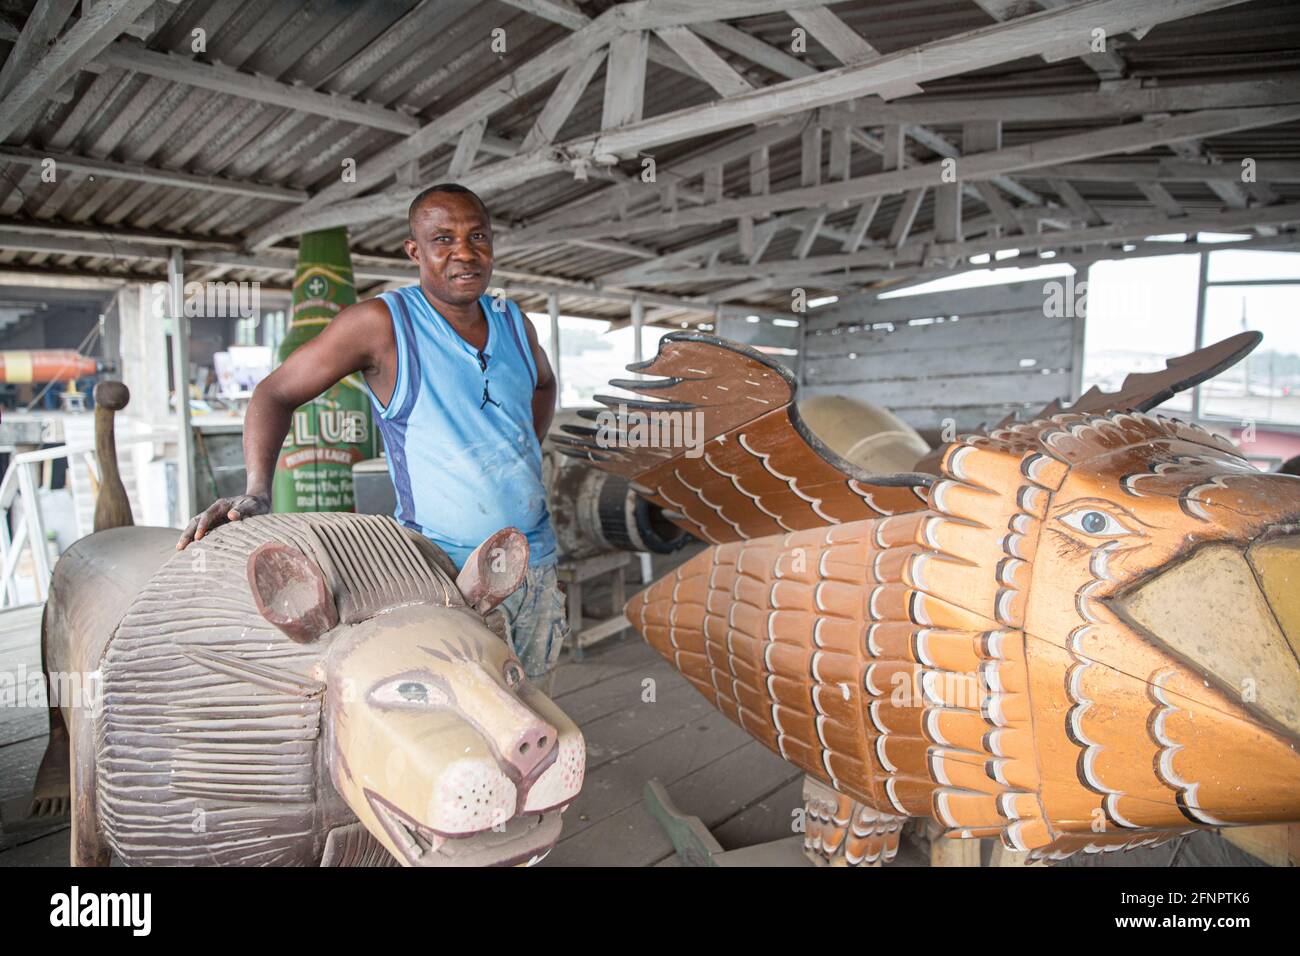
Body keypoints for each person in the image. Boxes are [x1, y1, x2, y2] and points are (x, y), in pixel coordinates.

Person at [177, 183, 569, 689]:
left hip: (535, 562)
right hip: (445, 573)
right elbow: (274, 393)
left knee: (537, 715)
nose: (465, 253)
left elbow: (544, 384)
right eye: (443, 239)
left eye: (478, 236)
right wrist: (257, 489)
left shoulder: (514, 321)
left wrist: (518, 454)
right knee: (460, 724)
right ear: (415, 250)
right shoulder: (382, 324)